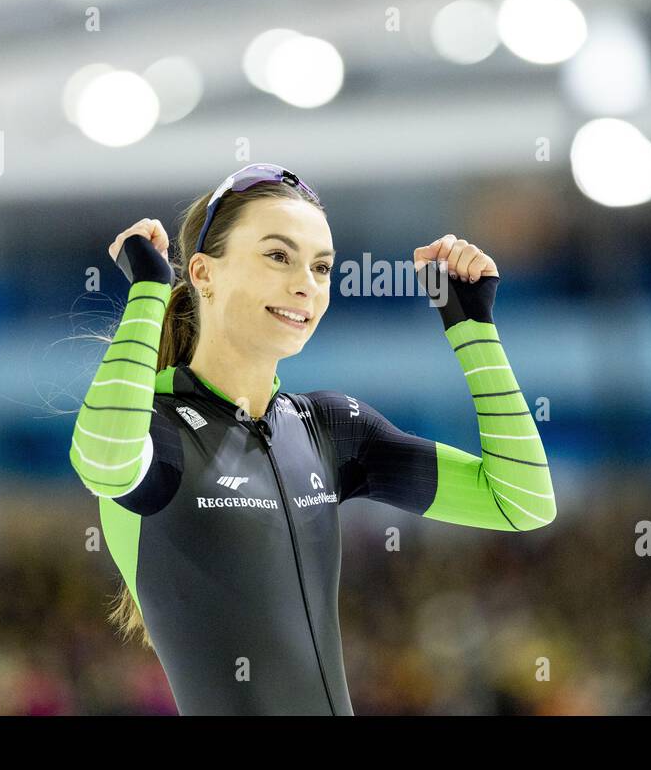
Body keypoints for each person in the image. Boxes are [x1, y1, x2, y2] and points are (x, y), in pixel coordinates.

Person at [68, 163, 555, 714]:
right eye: (278, 256)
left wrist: (473, 329)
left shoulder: (328, 428)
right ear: (203, 273)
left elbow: (522, 502)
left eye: (321, 267)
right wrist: (149, 291)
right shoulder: (159, 432)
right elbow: (103, 460)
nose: (306, 284)